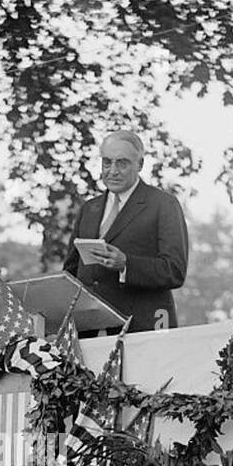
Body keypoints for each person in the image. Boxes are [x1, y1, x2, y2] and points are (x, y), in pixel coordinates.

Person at [63, 129, 189, 334]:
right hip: (87, 333)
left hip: (142, 328)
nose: (112, 171)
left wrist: (126, 264)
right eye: (107, 162)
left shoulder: (163, 204)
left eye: (122, 163)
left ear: (140, 164)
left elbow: (175, 271)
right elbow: (70, 272)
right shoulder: (89, 208)